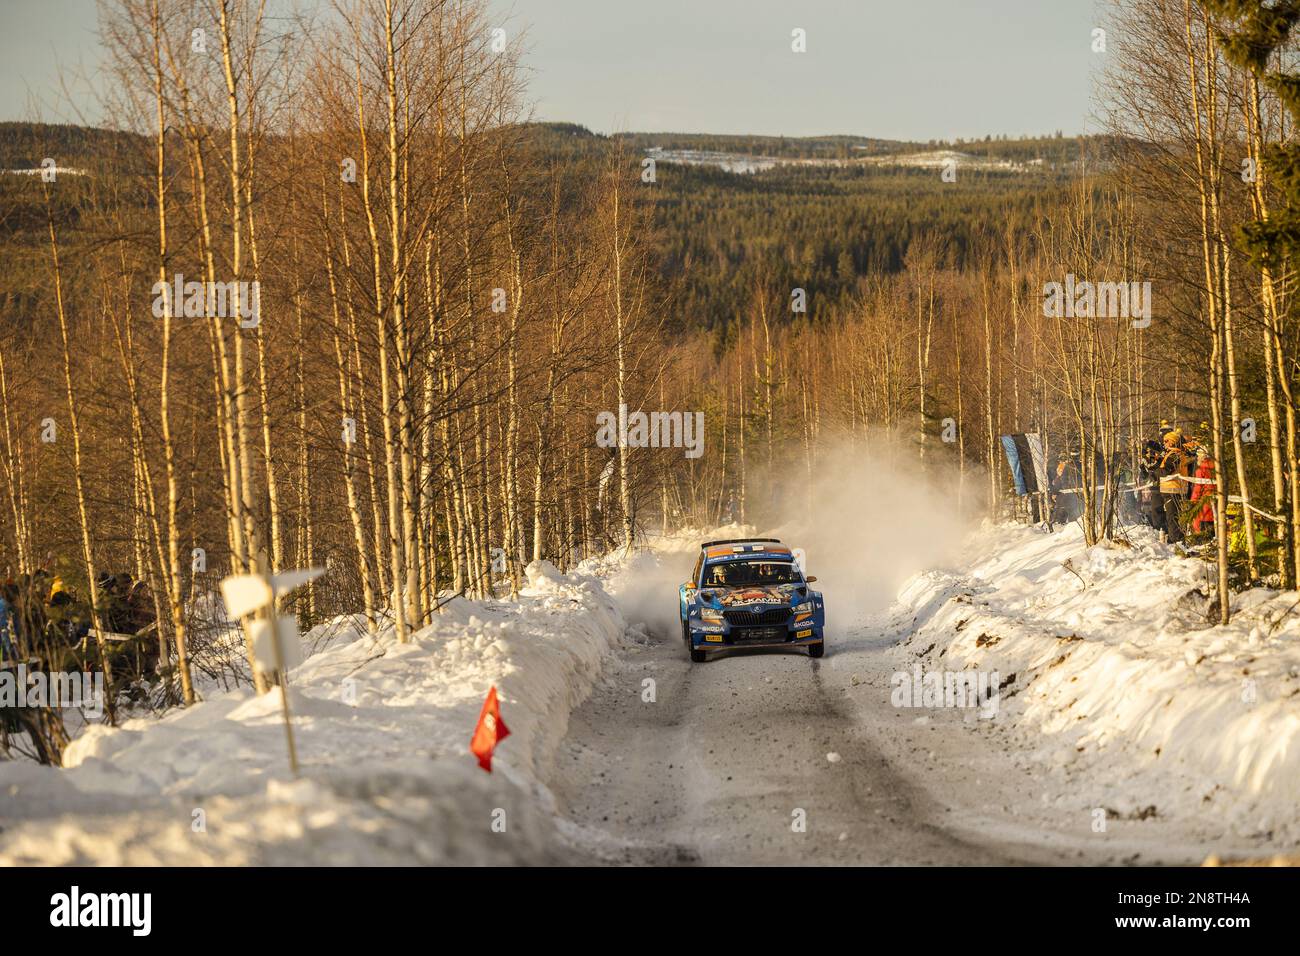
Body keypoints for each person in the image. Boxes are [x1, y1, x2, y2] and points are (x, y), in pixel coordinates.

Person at [1158, 429, 1188, 544]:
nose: (1164, 443)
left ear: (1172, 442)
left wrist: (1157, 471)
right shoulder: (1172, 454)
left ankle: (1175, 540)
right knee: (1172, 517)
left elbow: (1165, 471)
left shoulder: (1175, 454)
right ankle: (1174, 538)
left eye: (1166, 441)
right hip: (1172, 490)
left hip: (1174, 490)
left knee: (1172, 517)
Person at [1190, 447, 1216, 535]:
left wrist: (1193, 502)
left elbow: (1198, 488)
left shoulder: (1201, 470)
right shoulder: (1216, 468)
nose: (1197, 458)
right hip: (1216, 500)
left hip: (1204, 501)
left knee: (1202, 525)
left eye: (1198, 456)